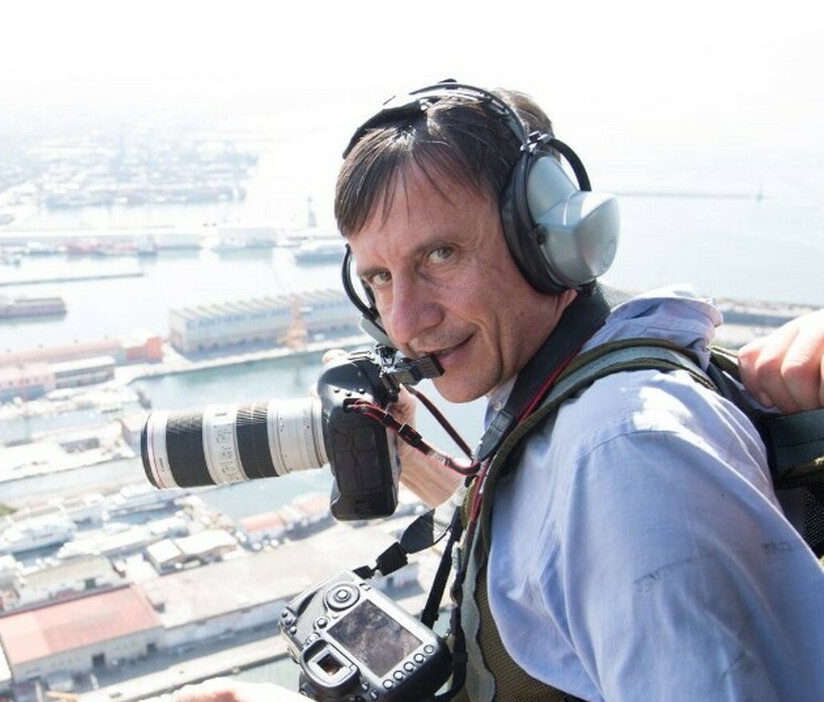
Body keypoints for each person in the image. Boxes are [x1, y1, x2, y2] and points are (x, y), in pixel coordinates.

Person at [176, 84, 824, 701]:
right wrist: (404, 456)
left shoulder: (624, 454)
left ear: (549, 239)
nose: (404, 321)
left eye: (440, 255)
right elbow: (538, 548)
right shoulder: (555, 394)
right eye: (378, 276)